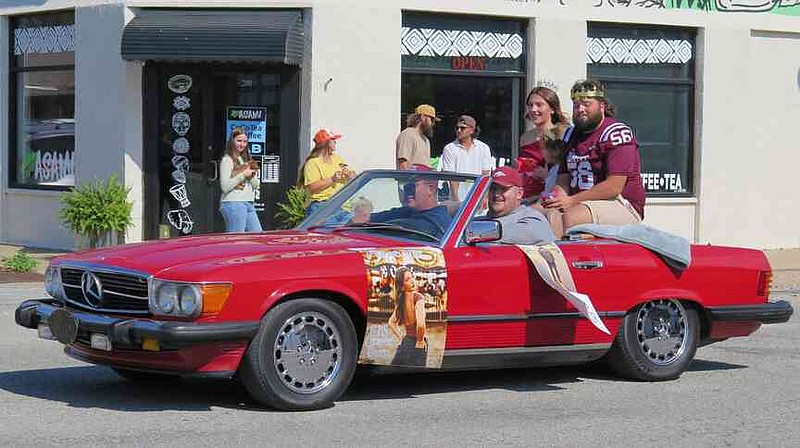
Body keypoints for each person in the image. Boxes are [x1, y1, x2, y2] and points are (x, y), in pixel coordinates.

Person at [542, 79, 645, 238]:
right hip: (579, 201)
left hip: (621, 204)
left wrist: (572, 200)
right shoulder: (570, 135)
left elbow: (613, 187)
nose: (580, 109)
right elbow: (564, 177)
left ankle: (571, 259)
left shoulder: (616, 132)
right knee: (543, 215)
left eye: (587, 104)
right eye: (576, 105)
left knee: (571, 217)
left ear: (601, 106)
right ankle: (555, 259)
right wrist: (557, 198)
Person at [368, 165, 452, 240]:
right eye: (404, 185)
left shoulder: (435, 223)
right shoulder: (408, 211)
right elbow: (368, 218)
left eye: (412, 185)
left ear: (431, 189)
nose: (407, 190)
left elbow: (385, 231)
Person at [518, 86, 570, 201]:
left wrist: (544, 175)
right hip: (525, 194)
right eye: (530, 105)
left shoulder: (563, 134)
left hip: (551, 195)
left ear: (552, 109)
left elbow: (568, 172)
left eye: (539, 105)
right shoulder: (526, 137)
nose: (533, 109)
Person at [484, 166, 555, 245]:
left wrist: (474, 233)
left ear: (519, 194)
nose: (496, 194)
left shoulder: (533, 219)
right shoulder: (476, 221)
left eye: (503, 189)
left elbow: (530, 233)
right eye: (493, 188)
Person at [298, 128, 355, 217]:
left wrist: (350, 175)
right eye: (333, 140)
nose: (335, 142)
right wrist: (332, 179)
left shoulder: (337, 158)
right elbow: (312, 188)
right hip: (321, 207)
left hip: (342, 207)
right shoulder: (312, 163)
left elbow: (352, 174)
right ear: (326, 143)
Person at [440, 115, 493, 200]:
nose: (459, 130)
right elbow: (452, 177)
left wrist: (485, 197)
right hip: (457, 197)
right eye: (457, 128)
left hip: (477, 197)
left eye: (463, 128)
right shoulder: (450, 148)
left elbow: (485, 175)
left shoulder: (483, 148)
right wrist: (456, 200)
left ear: (471, 130)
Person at [219, 128, 262, 233]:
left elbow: (256, 185)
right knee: (235, 240)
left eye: (245, 141)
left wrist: (251, 175)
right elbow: (224, 187)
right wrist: (243, 175)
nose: (242, 144)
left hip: (248, 202)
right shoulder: (227, 160)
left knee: (257, 236)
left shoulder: (246, 160)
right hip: (233, 202)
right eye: (239, 141)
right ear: (232, 141)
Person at [388, 267, 427, 365]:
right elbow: (421, 324)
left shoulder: (400, 302)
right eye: (407, 279)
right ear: (401, 286)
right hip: (418, 342)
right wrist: (420, 341)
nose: (412, 281)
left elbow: (391, 322)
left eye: (411, 277)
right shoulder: (418, 297)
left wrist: (401, 337)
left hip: (406, 341)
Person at [396, 104, 440, 169]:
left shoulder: (426, 140)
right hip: (410, 178)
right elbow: (403, 163)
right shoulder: (408, 134)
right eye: (431, 119)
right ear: (422, 117)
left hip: (424, 178)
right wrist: (408, 179)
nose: (433, 123)